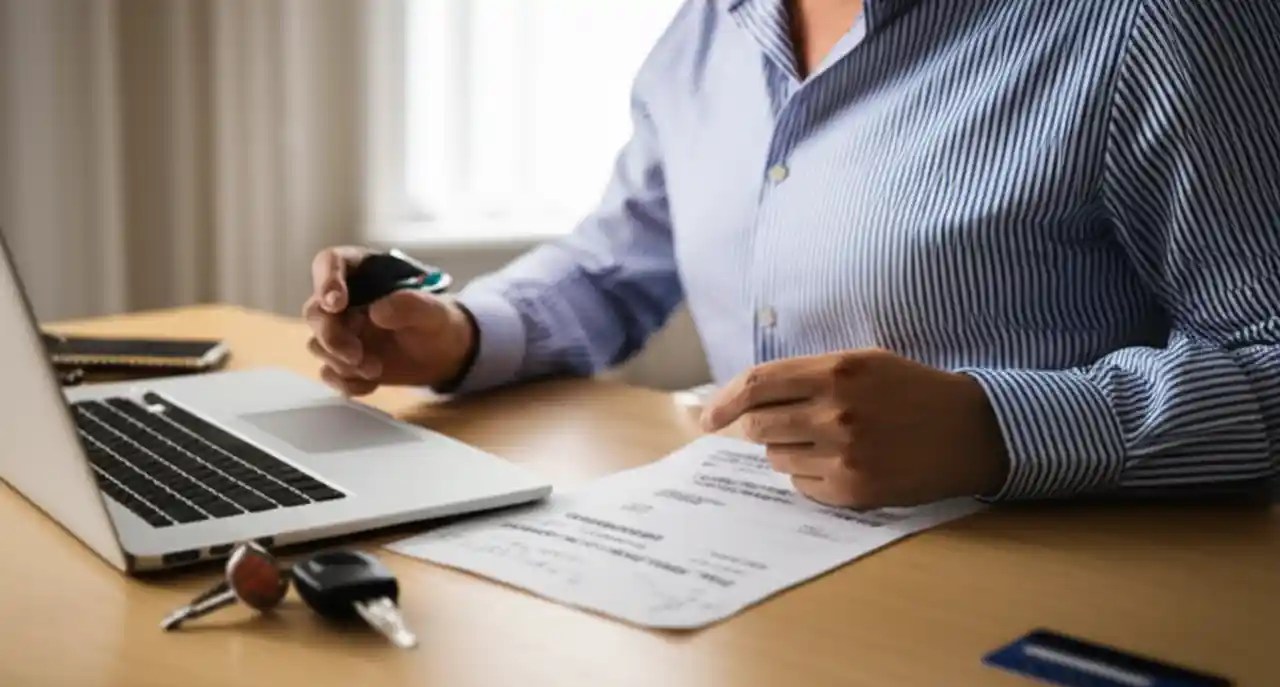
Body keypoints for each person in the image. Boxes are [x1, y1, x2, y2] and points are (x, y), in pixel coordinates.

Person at [304, 0, 1280, 509]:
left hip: (1052, 599)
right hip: (751, 584)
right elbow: (615, 259)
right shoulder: (707, 28)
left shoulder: (1157, 21)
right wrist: (461, 331)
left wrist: (996, 428)